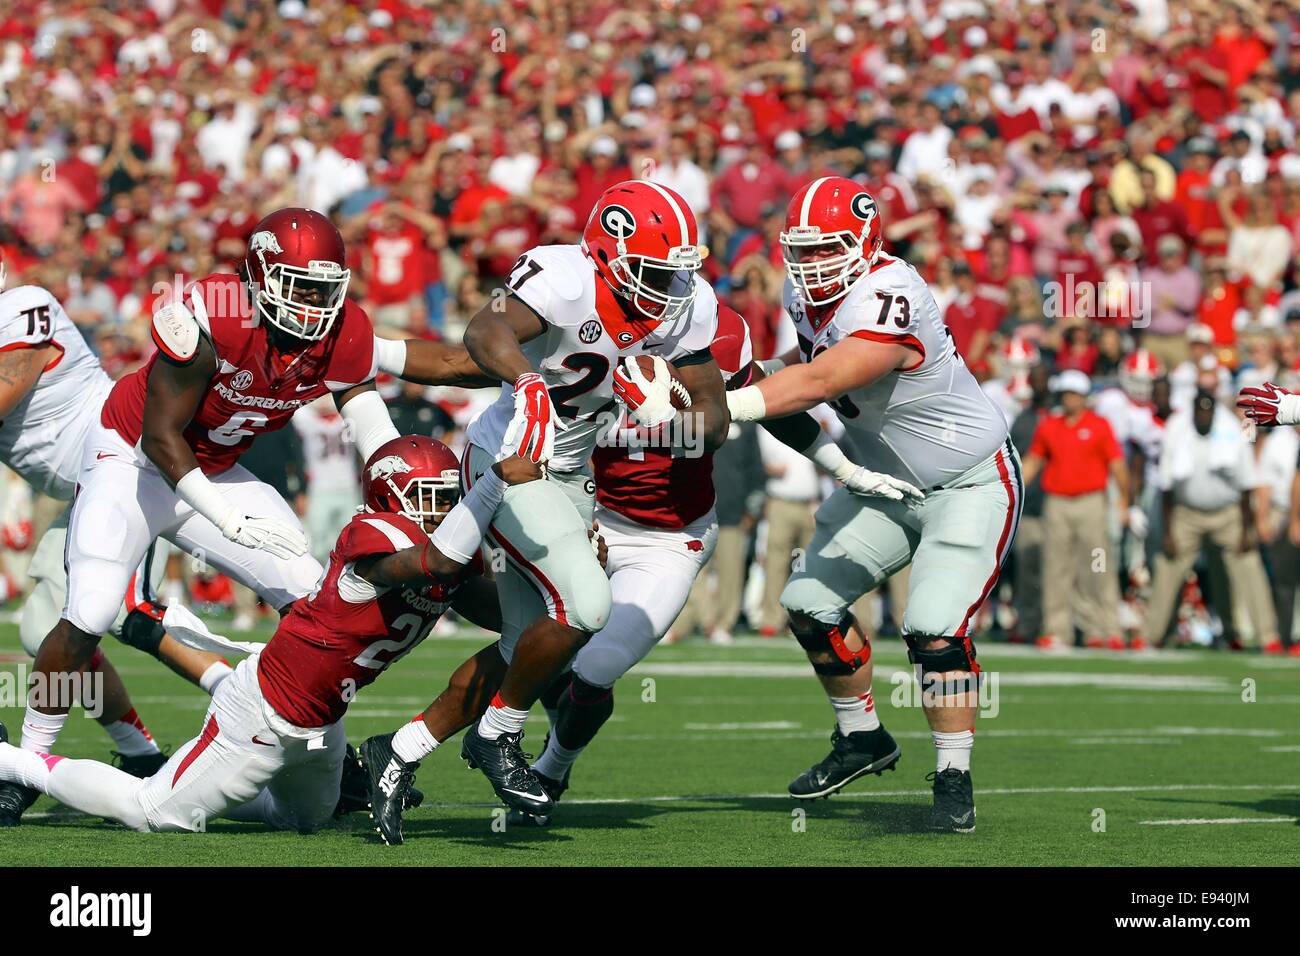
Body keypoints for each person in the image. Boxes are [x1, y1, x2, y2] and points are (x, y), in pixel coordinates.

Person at [3, 209, 488, 826]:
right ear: (259, 274)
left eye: (322, 289)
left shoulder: (340, 334)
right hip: (130, 458)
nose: (312, 304)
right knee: (91, 611)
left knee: (317, 600)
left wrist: (398, 479)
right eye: (299, 285)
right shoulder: (214, 315)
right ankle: (24, 761)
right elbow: (159, 436)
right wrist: (227, 520)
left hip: (216, 466)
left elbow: (378, 400)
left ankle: (329, 765)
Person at [0, 438, 539, 834]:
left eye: (452, 496)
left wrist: (547, 581)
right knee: (152, 813)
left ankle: (201, 784)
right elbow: (438, 560)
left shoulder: (448, 561)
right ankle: (13, 762)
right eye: (433, 495)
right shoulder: (373, 536)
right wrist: (491, 490)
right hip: (261, 716)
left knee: (303, 821)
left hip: (322, 728)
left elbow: (508, 617)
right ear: (391, 494)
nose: (447, 509)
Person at [724, 177, 1019, 832]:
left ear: (864, 241)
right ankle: (862, 737)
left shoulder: (892, 291)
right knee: (806, 602)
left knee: (933, 627)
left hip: (968, 481)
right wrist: (731, 376)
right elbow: (800, 367)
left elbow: (829, 377)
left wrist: (730, 404)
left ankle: (952, 775)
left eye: (827, 248)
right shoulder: (808, 297)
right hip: (883, 483)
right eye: (801, 251)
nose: (811, 265)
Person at [1146, 391, 1277, 648]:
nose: (1203, 415)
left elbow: (1246, 485)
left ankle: (1264, 636)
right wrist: (1169, 531)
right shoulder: (1177, 429)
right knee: (1168, 568)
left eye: (1208, 410)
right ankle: (1152, 635)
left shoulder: (1231, 430)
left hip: (1227, 514)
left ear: (1214, 412)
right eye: (1199, 410)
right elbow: (1166, 487)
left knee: (1247, 566)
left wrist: (1246, 530)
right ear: (1193, 411)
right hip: (1187, 513)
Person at [1021, 370, 1131, 648]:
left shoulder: (1099, 425)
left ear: (1084, 397)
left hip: (1090, 502)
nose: (1069, 399)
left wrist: (1124, 502)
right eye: (1066, 394)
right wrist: (1014, 490)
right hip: (1057, 503)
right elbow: (1033, 461)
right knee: (1056, 569)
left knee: (1097, 566)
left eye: (1074, 394)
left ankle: (1106, 629)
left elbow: (1117, 466)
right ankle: (1058, 630)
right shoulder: (1049, 425)